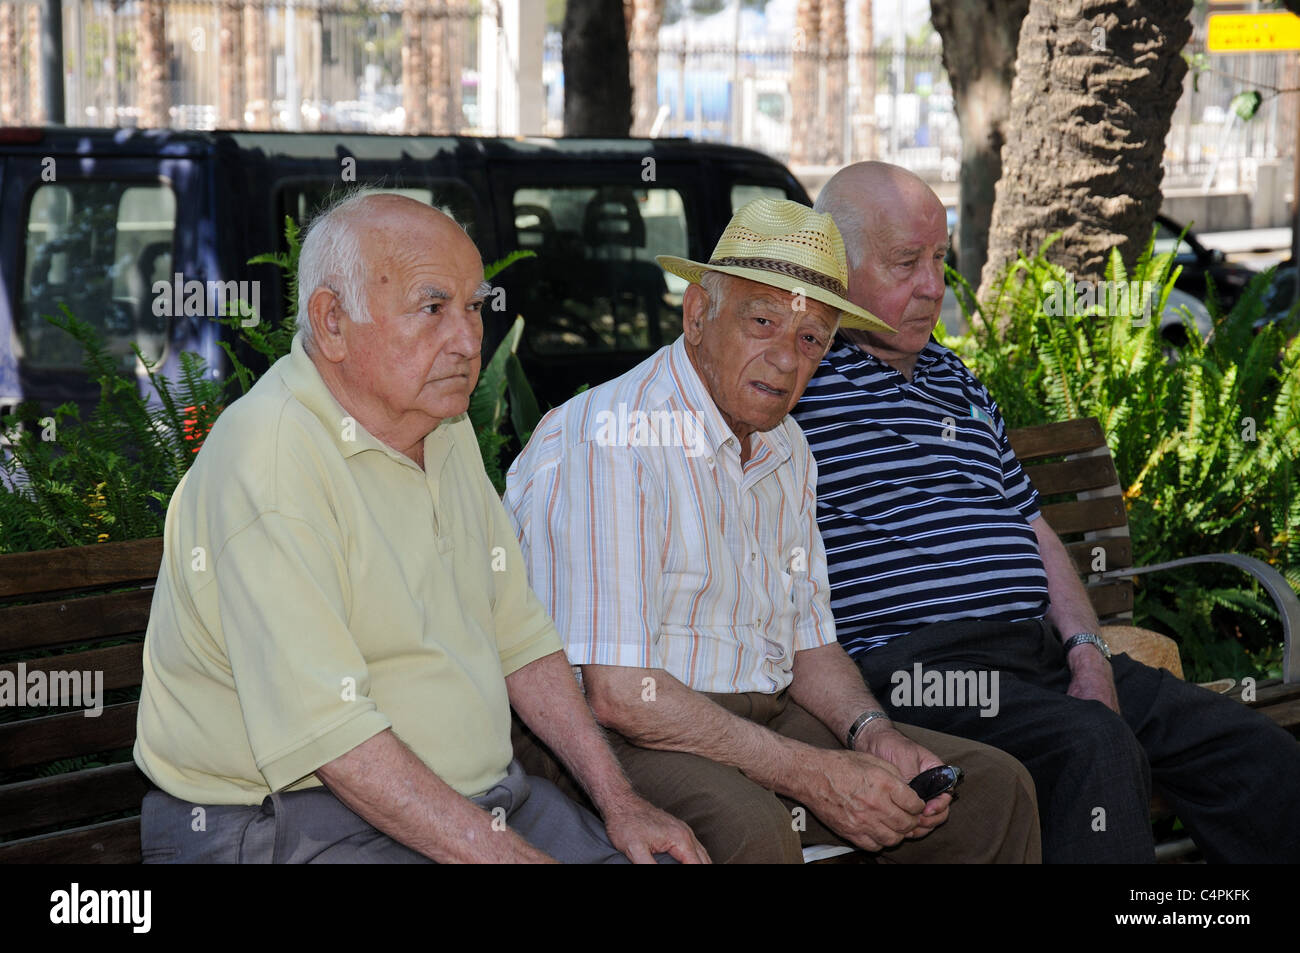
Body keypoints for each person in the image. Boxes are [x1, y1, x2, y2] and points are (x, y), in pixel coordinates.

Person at [133, 190, 707, 865]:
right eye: (432, 308)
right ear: (333, 323)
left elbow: (519, 636)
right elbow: (335, 738)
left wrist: (620, 801)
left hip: (475, 801)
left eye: (472, 307)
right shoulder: (271, 460)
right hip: (288, 819)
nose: (468, 340)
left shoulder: (442, 424)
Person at [503, 198, 1041, 864]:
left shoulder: (787, 448)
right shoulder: (609, 438)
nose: (786, 359)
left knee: (988, 789)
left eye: (811, 337)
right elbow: (618, 691)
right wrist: (811, 772)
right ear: (698, 314)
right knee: (757, 831)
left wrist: (871, 732)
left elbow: (812, 643)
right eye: (762, 321)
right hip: (610, 736)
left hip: (763, 712)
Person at [793, 160, 1300, 863]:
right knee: (1092, 747)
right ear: (834, 268)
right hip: (918, 671)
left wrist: (1087, 651)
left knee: (1253, 750)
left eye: (940, 259)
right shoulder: (797, 380)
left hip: (1033, 657)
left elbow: (1031, 524)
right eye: (905, 262)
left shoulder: (957, 378)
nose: (933, 287)